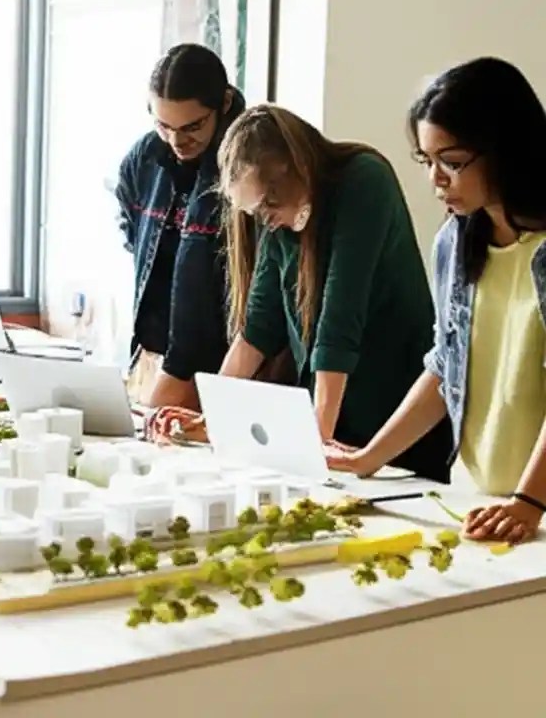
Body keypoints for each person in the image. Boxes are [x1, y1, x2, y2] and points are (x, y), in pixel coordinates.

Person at [147, 104, 453, 482]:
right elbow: (257, 328)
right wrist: (214, 417)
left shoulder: (364, 180)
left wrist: (315, 443)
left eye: (268, 204)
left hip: (395, 431)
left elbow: (339, 323)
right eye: (256, 213)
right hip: (338, 428)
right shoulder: (281, 220)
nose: (266, 220)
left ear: (294, 169)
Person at [327, 58, 546, 544]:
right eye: (427, 161)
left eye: (452, 161)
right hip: (476, 502)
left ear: (506, 148)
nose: (436, 180)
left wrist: (529, 502)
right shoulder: (454, 242)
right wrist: (367, 458)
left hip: (532, 509)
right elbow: (445, 366)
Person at [114, 43, 244, 409]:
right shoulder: (144, 158)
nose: (177, 141)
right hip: (152, 355)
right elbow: (133, 238)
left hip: (227, 365)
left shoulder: (248, 165)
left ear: (224, 102)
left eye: (192, 126)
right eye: (163, 126)